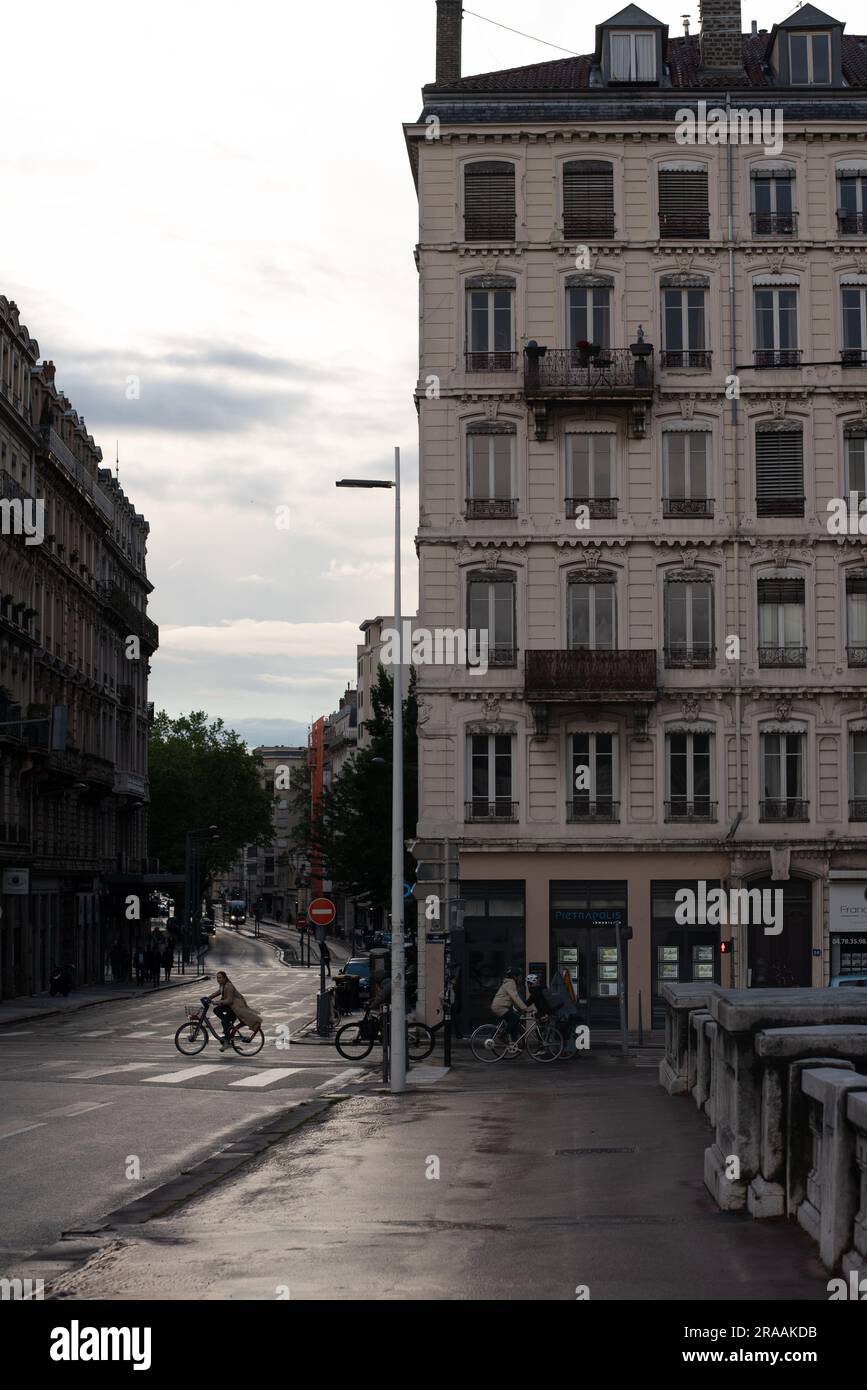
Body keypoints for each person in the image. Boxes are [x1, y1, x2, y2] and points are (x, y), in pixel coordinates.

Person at [208, 971, 263, 1051]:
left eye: (220, 978)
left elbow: (229, 1001)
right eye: (217, 978)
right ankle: (228, 1025)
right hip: (230, 1007)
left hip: (235, 1008)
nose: (218, 979)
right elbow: (217, 993)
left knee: (224, 1021)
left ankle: (227, 1042)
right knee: (216, 1010)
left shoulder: (229, 986)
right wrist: (208, 998)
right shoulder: (222, 985)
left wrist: (217, 1002)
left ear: (225, 978)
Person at [490, 967, 529, 1046]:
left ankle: (514, 1044)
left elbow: (512, 998)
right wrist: (525, 1008)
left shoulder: (509, 983)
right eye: (520, 976)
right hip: (500, 1007)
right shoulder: (510, 983)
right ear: (515, 977)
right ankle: (502, 1035)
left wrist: (518, 1008)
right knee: (515, 1019)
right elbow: (515, 997)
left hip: (502, 1006)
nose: (521, 978)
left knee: (514, 1024)